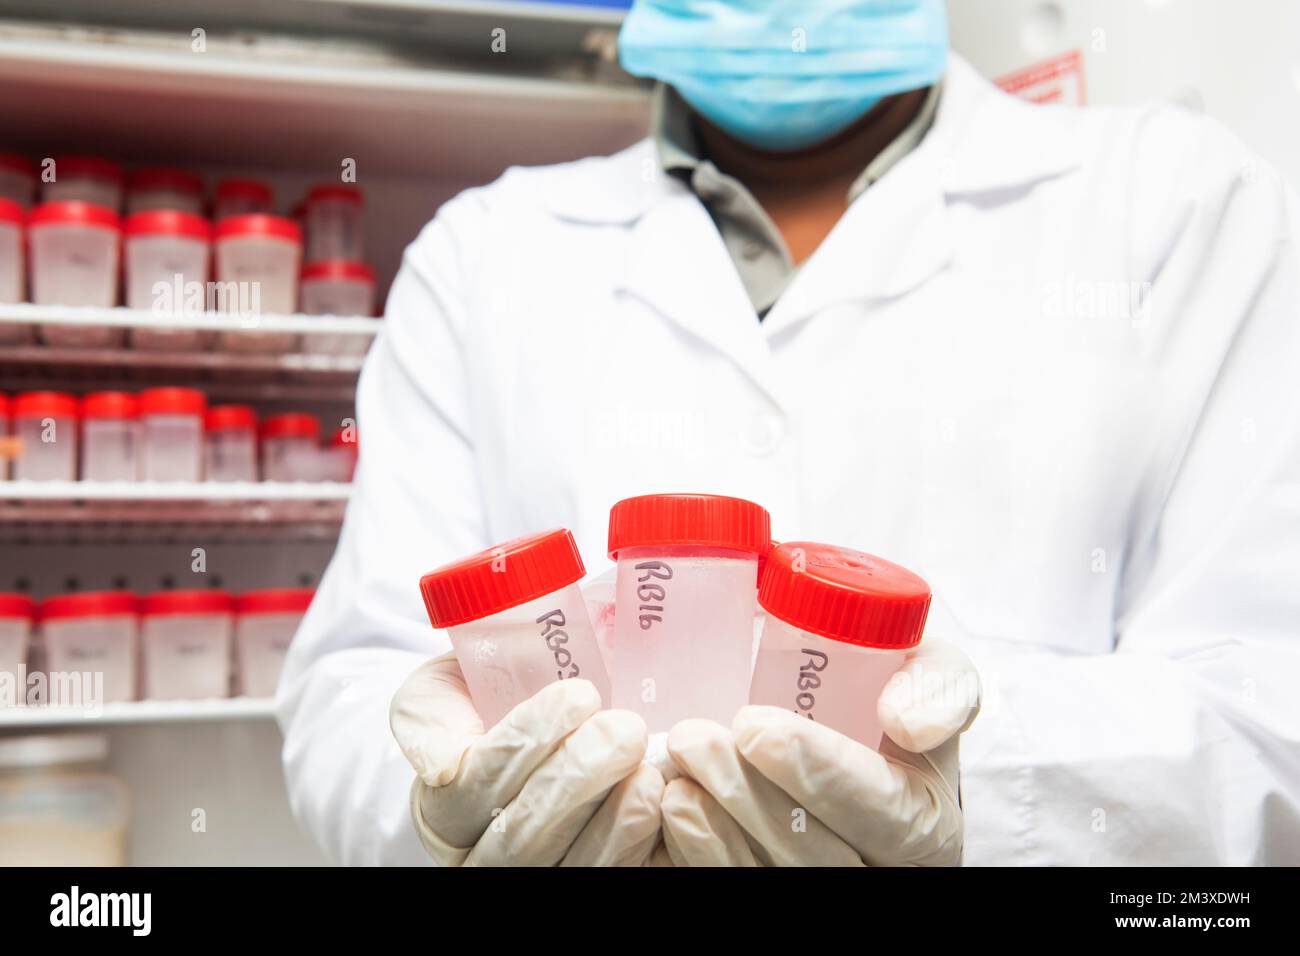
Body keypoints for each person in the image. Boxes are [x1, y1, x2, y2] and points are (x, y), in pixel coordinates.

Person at [277, 0, 1300, 865]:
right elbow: (355, 691)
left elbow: (1268, 717)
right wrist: (440, 807)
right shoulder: (484, 253)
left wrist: (967, 782)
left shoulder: (1178, 204)